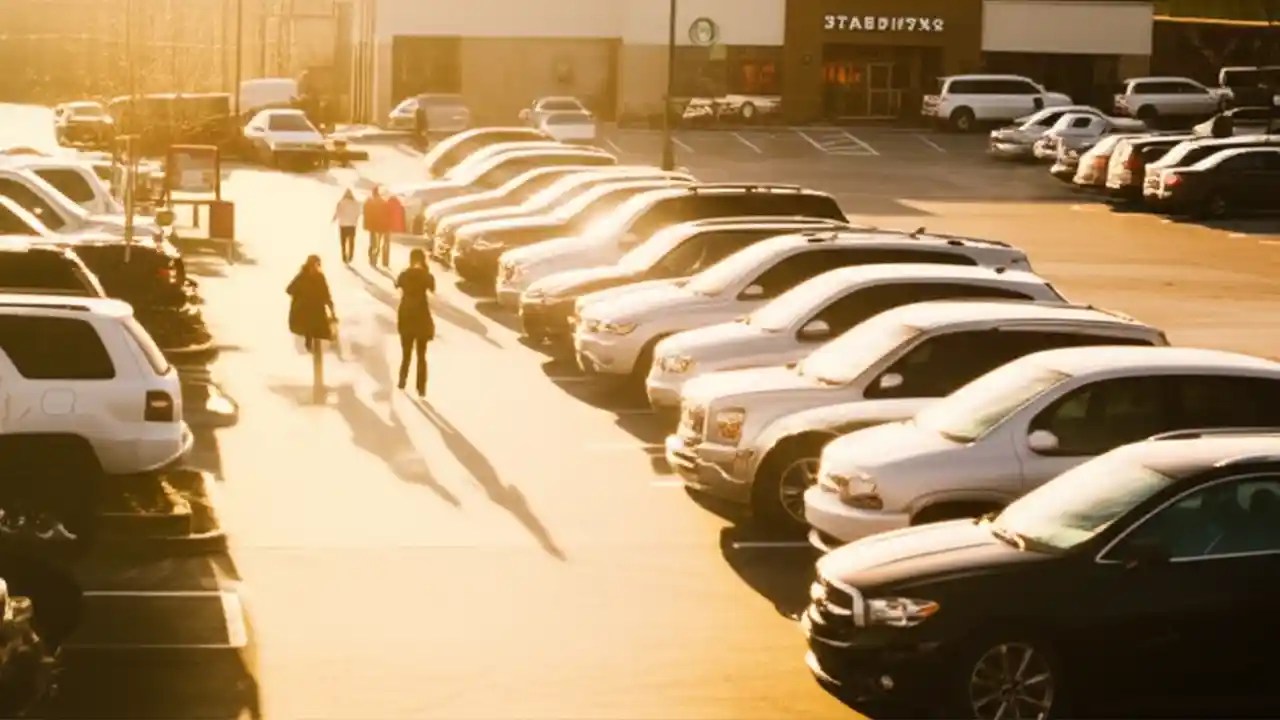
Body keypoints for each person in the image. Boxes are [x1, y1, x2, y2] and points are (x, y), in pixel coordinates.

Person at [394, 248, 436, 397]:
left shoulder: (404, 275)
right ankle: (421, 387)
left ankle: (402, 380)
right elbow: (432, 288)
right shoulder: (426, 275)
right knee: (421, 355)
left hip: (405, 315)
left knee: (406, 354)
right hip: (421, 317)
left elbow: (396, 284)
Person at [286, 255, 336, 352]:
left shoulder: (320, 277)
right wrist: (299, 297)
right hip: (303, 310)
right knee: (309, 323)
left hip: (317, 310)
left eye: (317, 265)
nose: (315, 268)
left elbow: (326, 295)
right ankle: (309, 341)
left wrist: (332, 310)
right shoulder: (301, 277)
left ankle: (317, 341)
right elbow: (289, 290)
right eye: (314, 265)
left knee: (322, 330)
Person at [332, 189, 360, 264]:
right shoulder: (355, 203)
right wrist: (355, 220)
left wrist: (334, 219)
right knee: (351, 242)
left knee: (343, 242)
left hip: (343, 225)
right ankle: (350, 256)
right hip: (352, 225)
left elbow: (338, 212)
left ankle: (344, 256)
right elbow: (358, 213)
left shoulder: (340, 203)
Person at [363, 186, 389, 265]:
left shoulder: (370, 202)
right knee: (379, 241)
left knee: (372, 242)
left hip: (372, 225)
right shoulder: (382, 201)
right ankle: (376, 253)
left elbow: (365, 213)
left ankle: (372, 257)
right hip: (380, 225)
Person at [383, 192, 405, 268]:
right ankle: (386, 260)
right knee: (387, 243)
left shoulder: (386, 204)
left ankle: (384, 258)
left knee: (384, 243)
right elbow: (400, 215)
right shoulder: (397, 204)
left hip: (384, 226)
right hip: (390, 226)